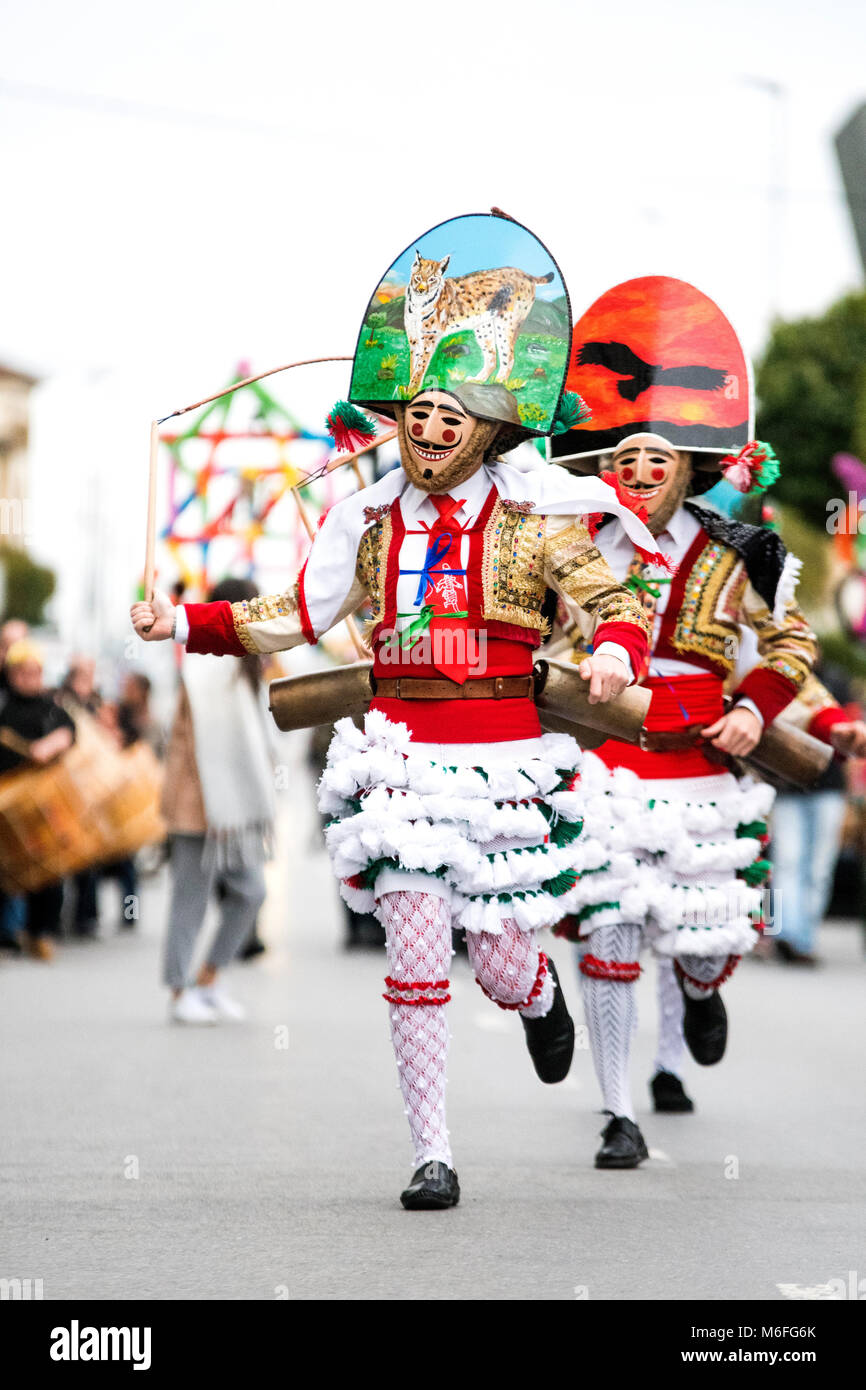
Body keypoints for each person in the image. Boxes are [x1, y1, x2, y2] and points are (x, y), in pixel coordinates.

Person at [131, 211, 661, 1209]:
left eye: (450, 415)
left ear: (490, 426)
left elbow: (616, 599)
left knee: (502, 963)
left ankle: (540, 999)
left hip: (504, 764)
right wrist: (182, 621)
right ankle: (432, 1152)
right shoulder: (361, 513)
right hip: (404, 760)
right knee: (414, 946)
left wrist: (611, 649)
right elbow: (292, 611)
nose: (428, 430)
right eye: (416, 412)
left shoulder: (540, 512)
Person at [549, 275, 819, 1167]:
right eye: (621, 459)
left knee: (699, 941)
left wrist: (753, 709)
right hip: (612, 771)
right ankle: (619, 1109)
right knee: (615, 930)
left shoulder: (743, 553)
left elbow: (791, 643)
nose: (634, 475)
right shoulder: (574, 549)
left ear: (693, 467)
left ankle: (697, 1004)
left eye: (653, 459)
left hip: (703, 774)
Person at [156, 577, 275, 1024]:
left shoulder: (245, 666)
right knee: (191, 896)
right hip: (195, 800)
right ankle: (178, 989)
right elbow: (193, 744)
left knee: (252, 892)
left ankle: (209, 978)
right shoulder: (202, 667)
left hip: (235, 807)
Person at [0, 640, 75, 960]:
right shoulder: (3, 705)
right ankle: (8, 935)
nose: (30, 677)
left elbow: (69, 731)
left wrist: (52, 744)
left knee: (47, 871)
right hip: (6, 803)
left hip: (41, 803)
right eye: (23, 672)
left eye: (35, 672)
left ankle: (40, 931)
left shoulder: (51, 707)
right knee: (6, 870)